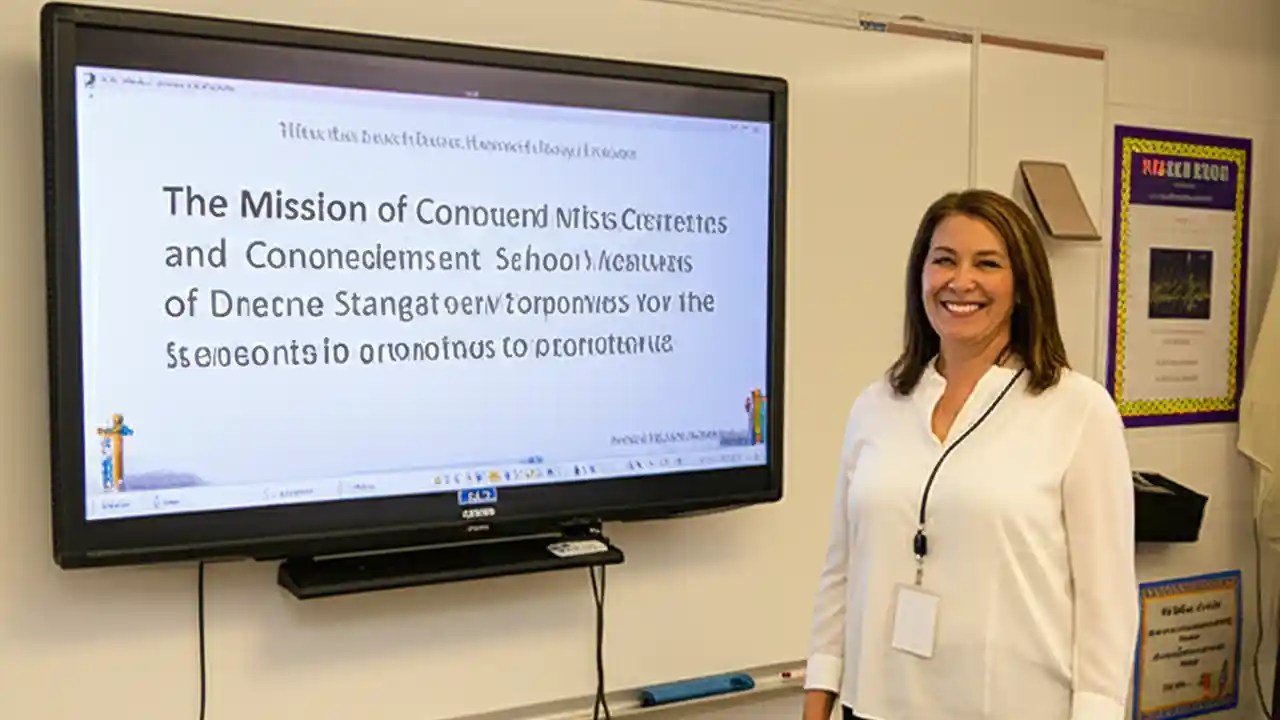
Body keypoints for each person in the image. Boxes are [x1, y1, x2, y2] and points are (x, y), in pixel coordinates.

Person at [801, 189, 1139, 720]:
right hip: (875, 705)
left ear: (1023, 286)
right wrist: (818, 692)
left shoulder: (1078, 410)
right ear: (921, 277)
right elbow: (840, 571)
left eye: (987, 263)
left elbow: (1107, 603)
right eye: (944, 261)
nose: (961, 282)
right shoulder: (876, 405)